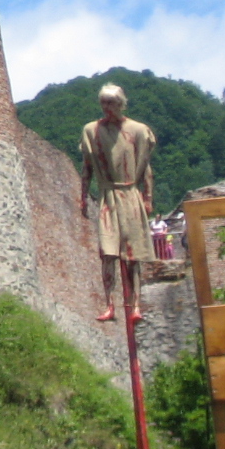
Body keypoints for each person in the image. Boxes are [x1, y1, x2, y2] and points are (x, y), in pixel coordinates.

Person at [80, 83, 157, 322]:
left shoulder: (138, 130)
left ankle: (135, 306)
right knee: (108, 253)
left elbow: (146, 169)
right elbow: (87, 167)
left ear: (120, 103)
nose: (106, 107)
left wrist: (147, 197)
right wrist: (82, 196)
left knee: (133, 255)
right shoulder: (92, 130)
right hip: (108, 197)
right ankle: (109, 305)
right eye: (103, 102)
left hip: (130, 195)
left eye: (110, 102)